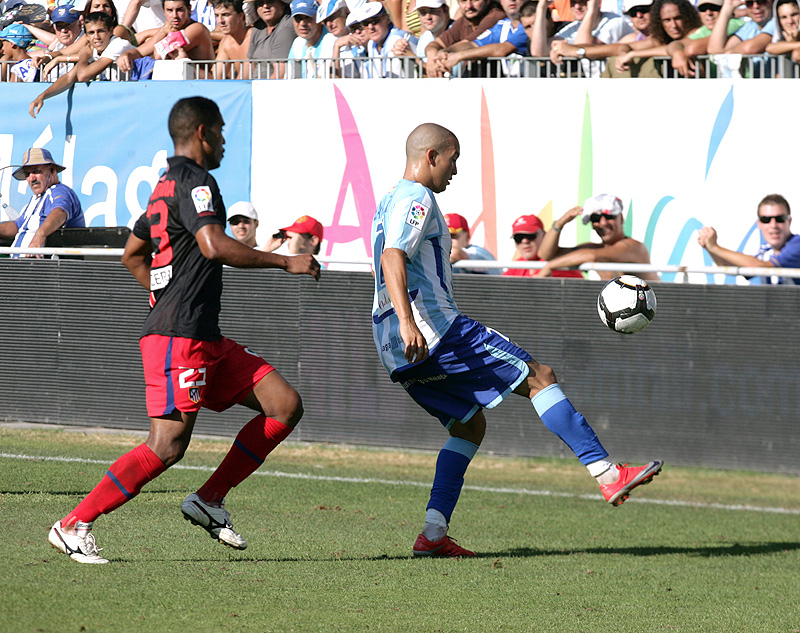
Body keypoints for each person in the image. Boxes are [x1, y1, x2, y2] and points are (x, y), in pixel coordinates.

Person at [47, 96, 321, 564]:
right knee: (168, 444)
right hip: (180, 337)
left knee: (284, 405)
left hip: (201, 334)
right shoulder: (196, 181)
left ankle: (209, 499)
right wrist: (285, 261)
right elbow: (213, 245)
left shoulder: (162, 187)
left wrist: (162, 293)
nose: (224, 141)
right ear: (202, 133)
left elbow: (134, 254)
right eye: (220, 131)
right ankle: (74, 524)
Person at [371, 123, 663, 557]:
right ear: (432, 155)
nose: (455, 169)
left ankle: (433, 535)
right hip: (432, 330)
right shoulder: (417, 198)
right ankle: (607, 474)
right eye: (453, 159)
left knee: (469, 426)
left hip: (391, 345)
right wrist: (410, 319)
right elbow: (393, 254)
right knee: (540, 376)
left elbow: (393, 254)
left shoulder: (389, 200)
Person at [29, 12, 136, 118]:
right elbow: (69, 77)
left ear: (111, 31)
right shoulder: (94, 49)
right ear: (87, 36)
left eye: (101, 31)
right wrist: (42, 96)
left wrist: (83, 56)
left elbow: (83, 75)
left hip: (133, 101)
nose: (96, 37)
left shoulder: (118, 45)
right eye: (91, 33)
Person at [537, 194, 659, 281]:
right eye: (595, 219)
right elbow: (545, 254)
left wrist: (550, 267)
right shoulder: (594, 248)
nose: (603, 223)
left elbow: (592, 256)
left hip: (654, 311)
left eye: (609, 216)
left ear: (621, 218)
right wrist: (560, 223)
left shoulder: (634, 247)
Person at [698, 194, 800, 285]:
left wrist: (715, 247)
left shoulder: (797, 245)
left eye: (780, 219)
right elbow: (728, 267)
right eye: (766, 220)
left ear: (789, 221)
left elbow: (761, 267)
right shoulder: (766, 250)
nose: (773, 225)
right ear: (759, 224)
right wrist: (709, 247)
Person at [0, 148, 84, 256]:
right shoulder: (35, 200)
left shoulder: (59, 191)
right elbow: (18, 226)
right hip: (17, 264)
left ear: (52, 170)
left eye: (36, 171)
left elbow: (60, 212)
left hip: (40, 267)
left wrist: (40, 235)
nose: (31, 178)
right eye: (27, 174)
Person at [116, 0, 215, 75]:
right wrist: (126, 55)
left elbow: (159, 54)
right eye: (170, 10)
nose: (174, 16)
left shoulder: (196, 28)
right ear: (163, 11)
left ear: (189, 9)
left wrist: (158, 34)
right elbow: (139, 52)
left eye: (179, 10)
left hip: (202, 83)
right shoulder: (168, 26)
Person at [439, 0, 529, 76]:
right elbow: (473, 44)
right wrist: (445, 52)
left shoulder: (532, 25)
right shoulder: (502, 25)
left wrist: (460, 56)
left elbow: (502, 49)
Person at [548, 0, 634, 75]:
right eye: (573, 2)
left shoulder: (615, 21)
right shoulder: (575, 25)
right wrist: (542, 7)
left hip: (614, 80)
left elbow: (581, 45)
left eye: (583, 2)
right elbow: (540, 51)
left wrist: (591, 10)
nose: (577, 7)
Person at [424, 0, 505, 76]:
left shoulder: (495, 16)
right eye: (463, 0)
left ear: (487, 1)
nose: (468, 6)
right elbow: (437, 43)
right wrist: (432, 57)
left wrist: (443, 52)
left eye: (475, 0)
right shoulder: (464, 21)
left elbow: (470, 43)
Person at [349, 2, 418, 78]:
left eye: (375, 21)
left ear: (387, 19)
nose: (371, 27)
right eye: (365, 23)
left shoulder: (401, 39)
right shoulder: (371, 43)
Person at [502, 214, 583, 278]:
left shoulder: (559, 263)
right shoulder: (516, 267)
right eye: (518, 238)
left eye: (531, 236)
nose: (525, 241)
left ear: (544, 235)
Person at [286, 0, 336, 78]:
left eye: (308, 18)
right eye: (298, 18)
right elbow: (289, 78)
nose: (302, 23)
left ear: (319, 18)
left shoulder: (331, 40)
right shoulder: (298, 43)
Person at [708, 0, 775, 58]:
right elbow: (714, 50)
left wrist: (726, 54)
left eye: (761, 1)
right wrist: (728, 7)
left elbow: (749, 48)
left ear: (772, 2)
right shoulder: (750, 26)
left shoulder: (777, 22)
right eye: (750, 3)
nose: (755, 6)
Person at [247, 0, 295, 79]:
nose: (265, 6)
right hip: (253, 85)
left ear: (282, 4)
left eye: (270, 1)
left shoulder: (286, 27)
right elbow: (249, 64)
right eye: (260, 3)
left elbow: (280, 73)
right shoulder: (258, 26)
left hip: (271, 87)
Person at [213, 0, 252, 78]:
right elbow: (216, 76)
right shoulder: (226, 42)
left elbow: (246, 76)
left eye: (226, 15)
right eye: (217, 15)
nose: (220, 21)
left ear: (240, 16)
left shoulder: (254, 36)